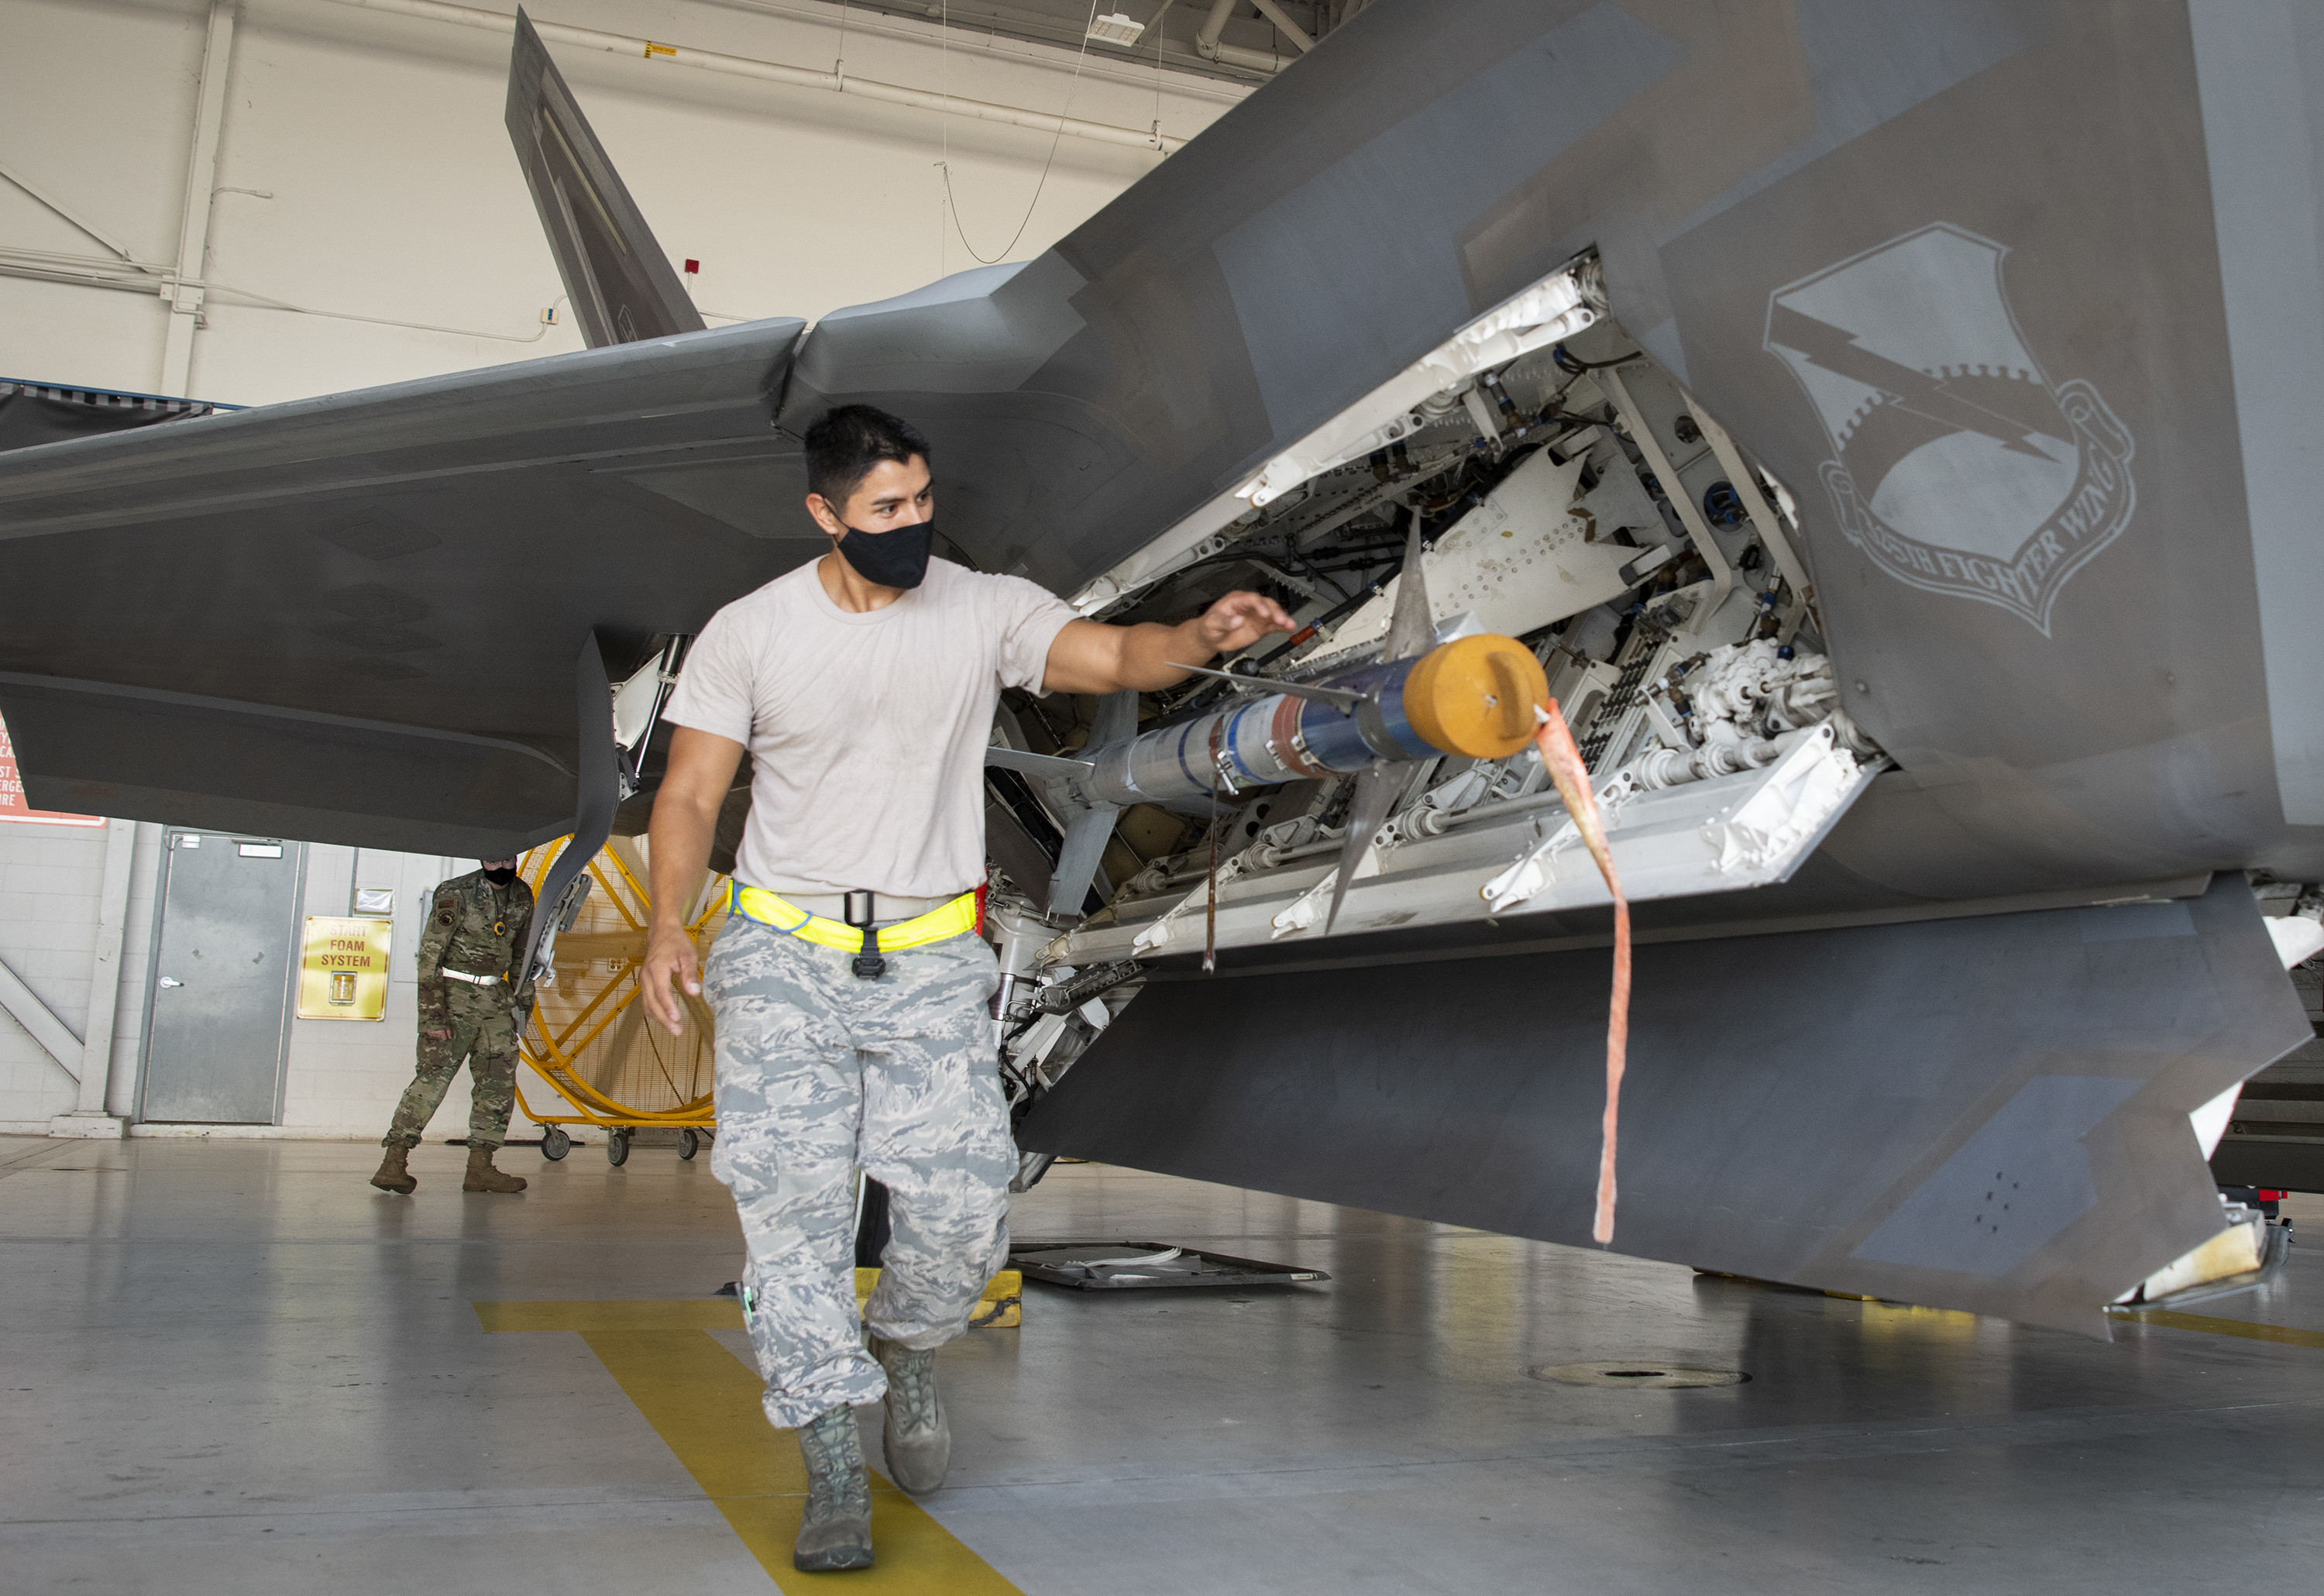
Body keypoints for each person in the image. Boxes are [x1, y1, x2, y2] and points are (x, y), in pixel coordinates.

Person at [640, 404, 1294, 1573]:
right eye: (886, 509)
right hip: (783, 950)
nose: (912, 525)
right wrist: (661, 934)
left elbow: (1113, 658)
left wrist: (1205, 632)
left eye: (924, 500)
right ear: (824, 515)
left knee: (959, 1206)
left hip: (934, 955)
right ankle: (832, 1455)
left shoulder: (980, 607)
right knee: (789, 1213)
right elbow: (690, 797)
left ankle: (907, 1346)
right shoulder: (749, 633)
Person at [370, 855, 536, 1196]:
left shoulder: (522, 895)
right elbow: (430, 954)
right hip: (453, 996)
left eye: (508, 859)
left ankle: (481, 1168)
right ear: (483, 860)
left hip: (496, 999)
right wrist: (432, 1016)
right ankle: (393, 1163)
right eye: (494, 860)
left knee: (498, 1084)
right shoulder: (456, 892)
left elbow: (522, 955)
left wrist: (523, 1005)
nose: (502, 866)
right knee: (432, 1080)